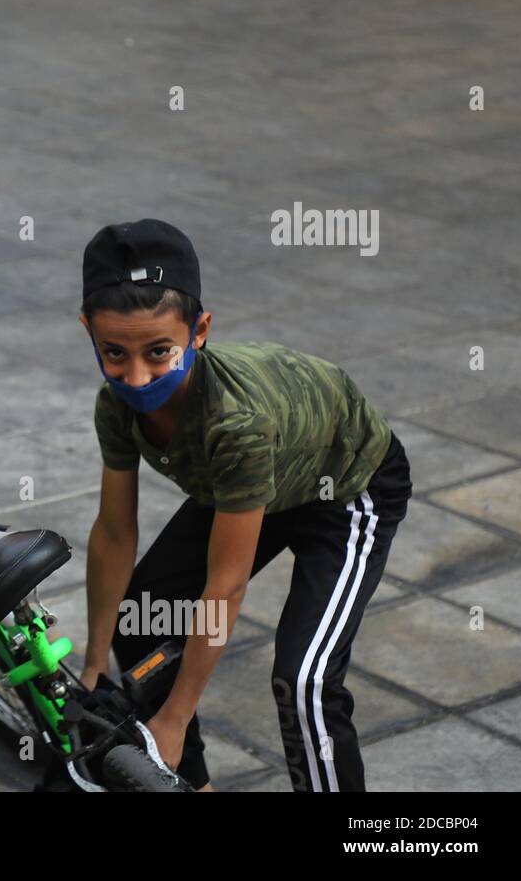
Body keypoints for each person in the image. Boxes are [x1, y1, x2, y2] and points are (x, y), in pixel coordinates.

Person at [77, 218, 412, 791]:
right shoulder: (117, 407)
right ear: (87, 329)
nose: (135, 377)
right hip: (254, 483)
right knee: (146, 614)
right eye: (114, 353)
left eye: (159, 353)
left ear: (199, 329)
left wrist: (176, 718)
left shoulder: (235, 423)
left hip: (347, 485)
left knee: (304, 680)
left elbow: (223, 587)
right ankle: (190, 784)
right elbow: (114, 531)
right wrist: (92, 667)